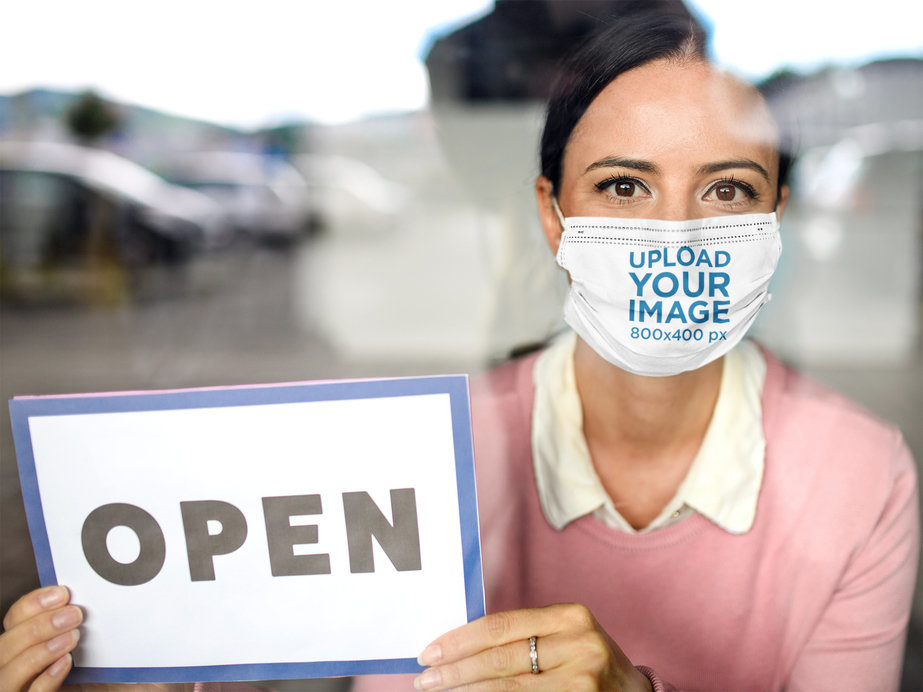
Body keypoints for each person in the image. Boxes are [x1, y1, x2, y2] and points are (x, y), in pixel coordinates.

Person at [1, 4, 918, 692]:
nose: (673, 237)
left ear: (776, 217)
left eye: (724, 192)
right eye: (623, 187)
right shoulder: (430, 454)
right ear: (550, 217)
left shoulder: (860, 477)